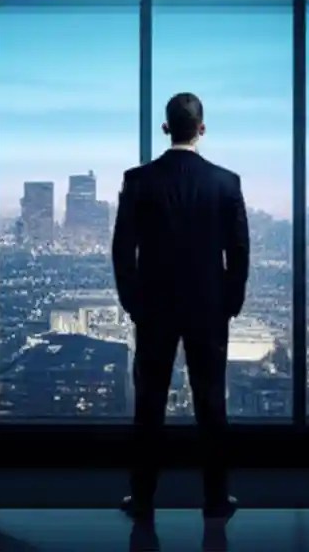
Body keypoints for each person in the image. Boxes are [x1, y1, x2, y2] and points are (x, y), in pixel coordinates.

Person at [112, 92, 249, 521]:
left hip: (154, 308)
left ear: (166, 128)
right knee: (211, 401)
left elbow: (122, 250)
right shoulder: (226, 183)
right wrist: (230, 301)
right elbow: (239, 252)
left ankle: (143, 498)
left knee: (148, 403)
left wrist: (133, 302)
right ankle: (215, 499)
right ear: (202, 129)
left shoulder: (139, 180)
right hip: (208, 309)